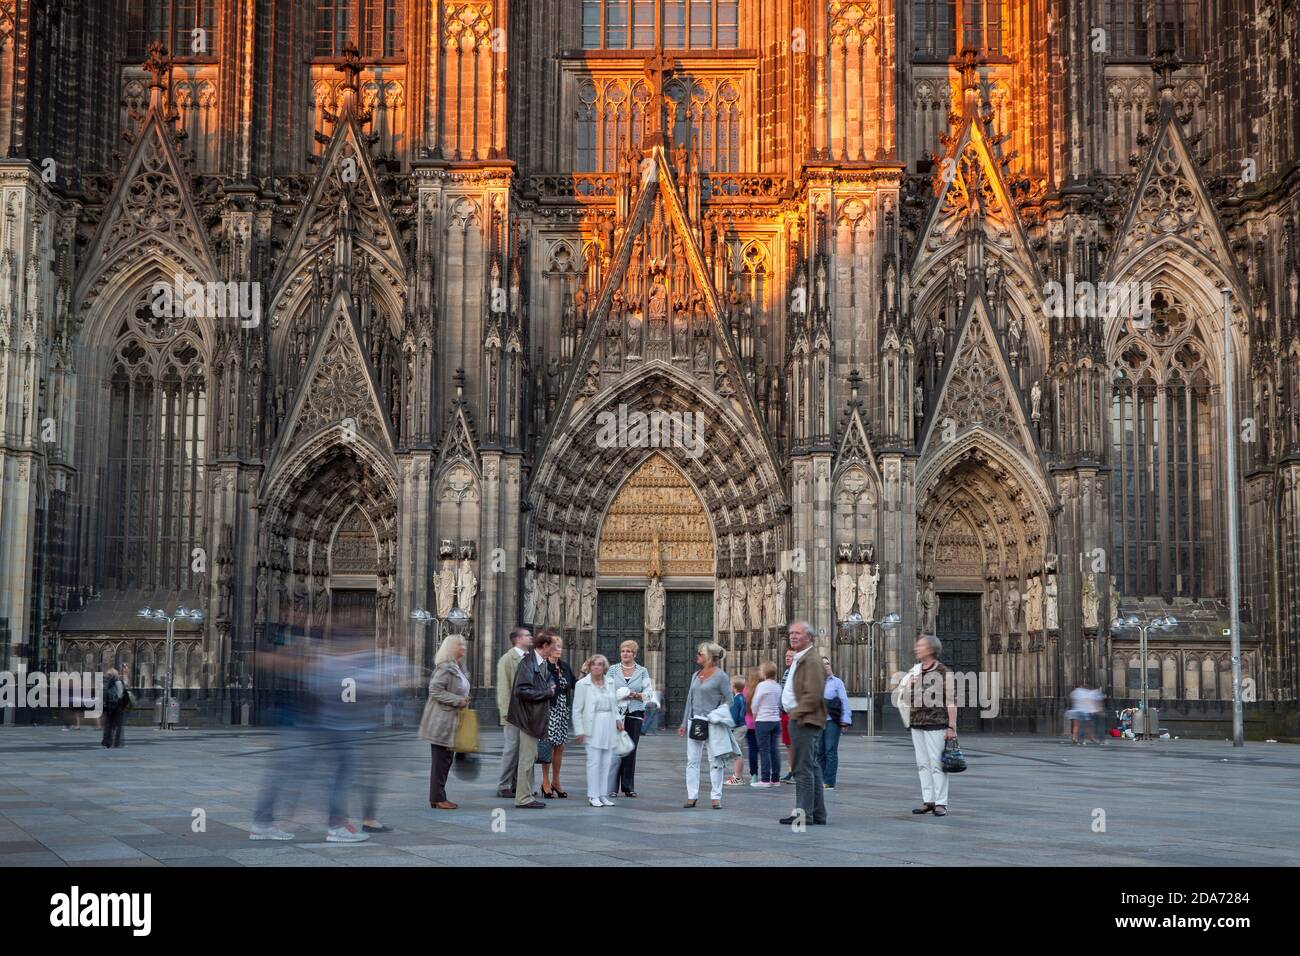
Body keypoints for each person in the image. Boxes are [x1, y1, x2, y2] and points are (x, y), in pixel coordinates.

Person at [902, 634, 957, 817]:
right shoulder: (915, 672)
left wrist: (951, 727)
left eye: (921, 646)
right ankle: (929, 800)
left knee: (937, 764)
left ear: (931, 649)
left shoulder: (944, 672)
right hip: (917, 722)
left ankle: (941, 802)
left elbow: (951, 701)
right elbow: (908, 700)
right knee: (922, 764)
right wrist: (910, 686)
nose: (917, 649)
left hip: (936, 723)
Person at [779, 622, 827, 826]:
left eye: (797, 633)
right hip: (801, 718)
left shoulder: (812, 660)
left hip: (804, 720)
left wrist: (796, 714)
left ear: (809, 637)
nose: (793, 636)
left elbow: (814, 694)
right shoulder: (802, 658)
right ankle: (817, 814)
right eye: (791, 633)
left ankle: (803, 815)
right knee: (811, 767)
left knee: (802, 769)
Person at [419, 635, 471, 810]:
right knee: (441, 761)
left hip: (451, 720)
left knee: (445, 760)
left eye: (464, 643)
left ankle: (438, 797)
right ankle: (438, 798)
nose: (463, 646)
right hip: (442, 720)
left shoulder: (457, 667)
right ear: (451, 648)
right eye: (460, 644)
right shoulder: (445, 668)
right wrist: (458, 700)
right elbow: (434, 690)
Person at [678, 642, 732, 809]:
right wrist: (683, 722)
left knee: (714, 760)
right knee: (692, 761)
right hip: (694, 721)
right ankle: (691, 796)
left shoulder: (720, 676)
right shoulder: (696, 675)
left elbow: (730, 700)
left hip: (712, 723)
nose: (697, 656)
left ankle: (716, 797)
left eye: (700, 654)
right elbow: (690, 699)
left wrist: (717, 715)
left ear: (709, 656)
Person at [506, 629, 557, 809]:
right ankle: (523, 798)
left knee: (530, 757)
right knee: (527, 759)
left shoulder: (541, 662)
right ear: (544, 646)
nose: (556, 648)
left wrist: (550, 685)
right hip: (528, 718)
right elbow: (521, 690)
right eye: (553, 645)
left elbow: (547, 681)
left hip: (535, 718)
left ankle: (527, 794)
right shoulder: (528, 662)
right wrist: (546, 692)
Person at [573, 654, 624, 807]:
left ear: (604, 667)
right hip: (592, 724)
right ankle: (593, 795)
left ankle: (603, 794)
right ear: (589, 667)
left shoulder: (610, 681)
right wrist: (579, 730)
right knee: (594, 762)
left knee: (607, 762)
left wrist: (618, 719)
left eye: (600, 664)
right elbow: (577, 710)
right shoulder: (582, 684)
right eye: (593, 664)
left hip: (608, 723)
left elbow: (614, 704)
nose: (596, 667)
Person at [606, 640, 652, 797]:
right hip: (616, 714)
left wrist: (636, 695)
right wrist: (619, 695)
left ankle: (628, 786)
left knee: (630, 749)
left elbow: (649, 694)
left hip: (635, 713)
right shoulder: (612, 670)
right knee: (615, 750)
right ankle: (612, 787)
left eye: (628, 651)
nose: (625, 653)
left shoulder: (642, 671)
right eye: (623, 651)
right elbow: (606, 690)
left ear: (634, 654)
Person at [495, 627, 532, 798]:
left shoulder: (530, 658)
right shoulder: (507, 659)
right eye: (527, 635)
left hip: (527, 713)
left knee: (522, 751)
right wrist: (505, 713)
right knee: (511, 750)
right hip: (513, 714)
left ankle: (519, 785)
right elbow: (503, 688)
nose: (530, 637)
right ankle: (503, 785)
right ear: (517, 639)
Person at [540, 632, 576, 799]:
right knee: (548, 745)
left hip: (563, 710)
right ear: (547, 648)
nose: (557, 649)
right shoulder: (543, 666)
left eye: (560, 646)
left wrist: (587, 673)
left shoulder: (565, 666)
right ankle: (545, 781)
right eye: (554, 646)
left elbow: (576, 684)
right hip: (549, 710)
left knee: (560, 746)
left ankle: (556, 780)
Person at [818, 656, 852, 790]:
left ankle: (829, 781)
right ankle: (821, 779)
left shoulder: (837, 682)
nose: (826, 666)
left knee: (830, 751)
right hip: (818, 720)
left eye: (827, 663)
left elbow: (844, 701)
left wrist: (845, 720)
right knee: (819, 752)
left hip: (832, 721)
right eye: (823, 664)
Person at [750, 661, 782, 787]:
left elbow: (755, 702)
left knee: (764, 750)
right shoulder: (778, 686)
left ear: (764, 673)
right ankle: (775, 779)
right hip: (775, 720)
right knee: (774, 750)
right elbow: (780, 703)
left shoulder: (762, 686)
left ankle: (765, 779)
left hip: (763, 720)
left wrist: (754, 715)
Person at [726, 676, 748, 785]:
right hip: (742, 726)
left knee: (737, 754)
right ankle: (737, 776)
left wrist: (729, 726)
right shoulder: (742, 697)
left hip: (738, 728)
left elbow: (734, 717)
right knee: (738, 753)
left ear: (734, 687)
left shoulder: (736, 699)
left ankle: (738, 777)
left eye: (730, 684)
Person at [779, 647, 795, 782]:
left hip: (794, 713)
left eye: (790, 656)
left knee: (795, 744)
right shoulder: (786, 673)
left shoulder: (797, 673)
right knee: (789, 744)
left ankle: (797, 771)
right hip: (784, 712)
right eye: (786, 656)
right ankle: (791, 770)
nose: (787, 658)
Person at [100, 667, 127, 749]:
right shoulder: (118, 682)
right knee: (119, 725)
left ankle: (106, 742)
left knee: (108, 725)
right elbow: (120, 695)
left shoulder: (105, 683)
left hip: (109, 706)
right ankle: (117, 742)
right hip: (118, 706)